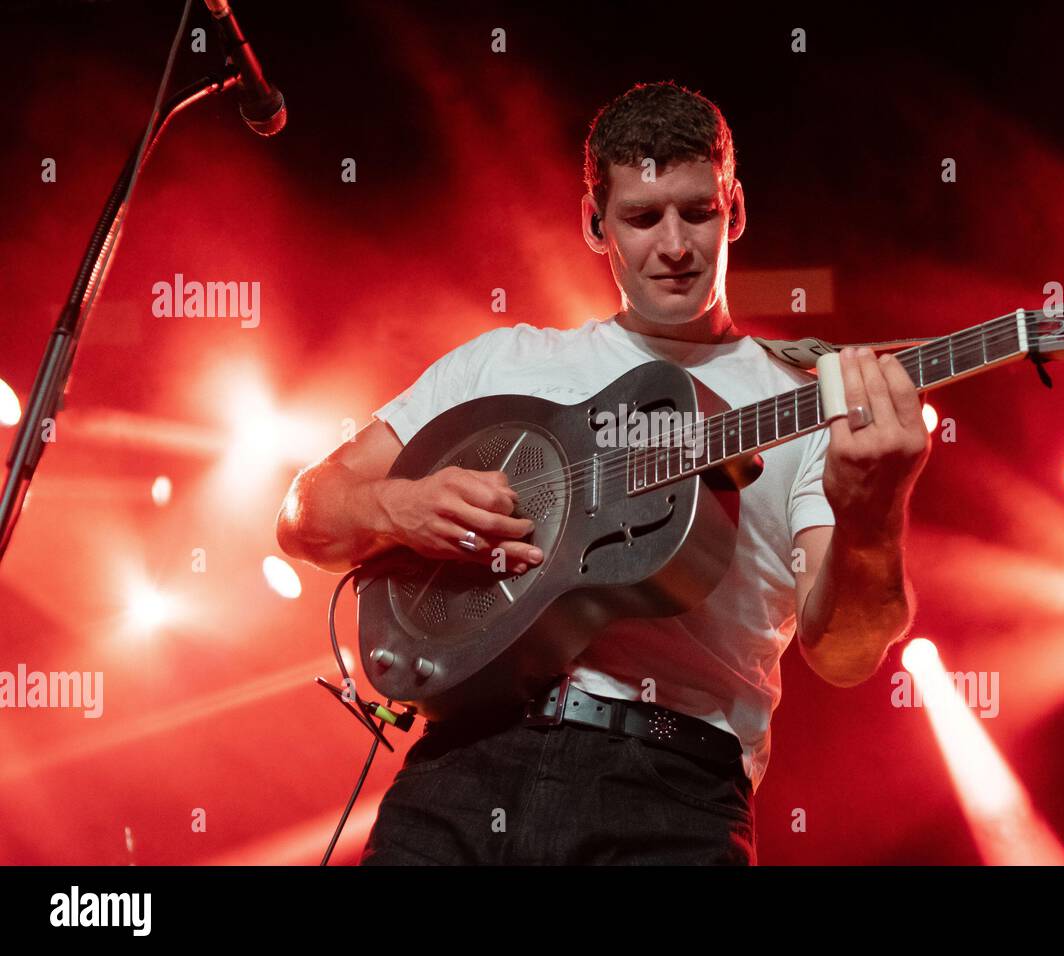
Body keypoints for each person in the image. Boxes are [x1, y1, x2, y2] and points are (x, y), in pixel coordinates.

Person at [275, 80, 930, 864]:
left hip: (670, 796)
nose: (677, 245)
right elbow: (305, 517)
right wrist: (396, 504)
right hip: (463, 769)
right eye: (644, 217)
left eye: (699, 210)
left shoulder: (807, 399)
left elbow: (848, 654)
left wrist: (873, 510)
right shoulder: (505, 362)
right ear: (595, 223)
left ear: (738, 209)